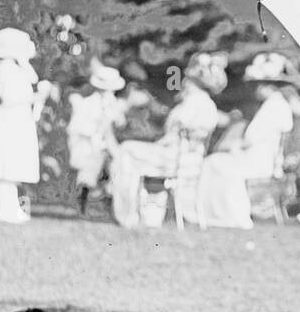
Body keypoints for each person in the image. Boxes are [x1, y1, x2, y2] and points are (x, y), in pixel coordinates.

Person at [109, 53, 228, 228]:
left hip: (172, 159)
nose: (183, 83)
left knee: (126, 150)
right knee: (131, 150)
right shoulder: (208, 106)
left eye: (187, 79)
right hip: (190, 163)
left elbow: (174, 136)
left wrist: (158, 143)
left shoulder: (191, 104)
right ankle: (143, 213)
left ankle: (127, 214)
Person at [193, 53, 300, 229]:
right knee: (214, 162)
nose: (256, 90)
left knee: (213, 163)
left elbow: (253, 138)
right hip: (261, 158)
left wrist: (236, 145)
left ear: (268, 86)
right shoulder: (273, 106)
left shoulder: (274, 108)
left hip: (260, 161)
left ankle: (225, 215)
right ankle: (213, 213)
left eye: (258, 85)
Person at [0, 27, 42, 224]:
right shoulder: (4, 68)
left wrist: (24, 62)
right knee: (6, 166)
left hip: (19, 118)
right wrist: (34, 96)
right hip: (11, 119)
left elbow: (33, 78)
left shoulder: (16, 67)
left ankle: (11, 207)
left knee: (14, 166)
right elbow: (12, 96)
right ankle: (4, 209)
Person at [66, 64, 126, 215]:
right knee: (88, 174)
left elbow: (119, 122)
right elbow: (79, 127)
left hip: (107, 144)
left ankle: (110, 205)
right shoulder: (88, 104)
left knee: (115, 169)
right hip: (90, 145)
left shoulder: (111, 104)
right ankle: (82, 205)